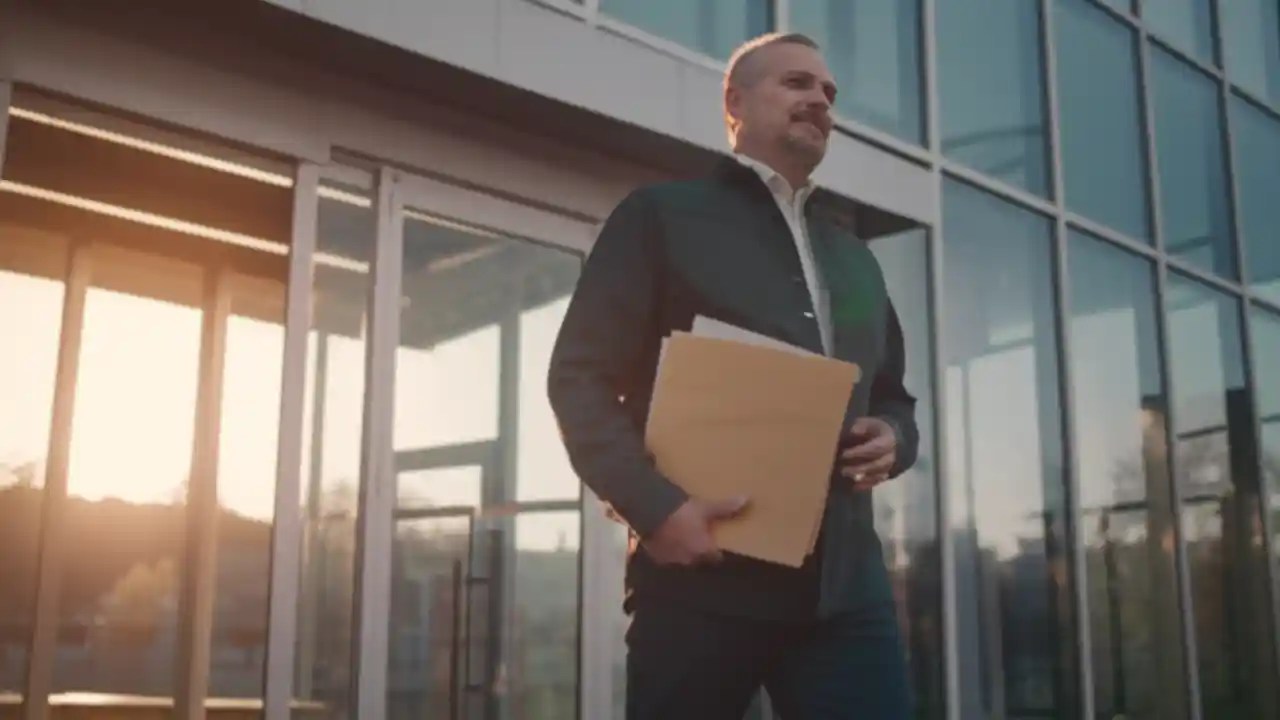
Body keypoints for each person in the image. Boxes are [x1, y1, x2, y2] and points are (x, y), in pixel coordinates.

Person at [547, 32, 919, 720]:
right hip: (702, 583)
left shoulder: (856, 259)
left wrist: (895, 436)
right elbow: (580, 379)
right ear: (735, 102)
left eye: (829, 93)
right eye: (797, 84)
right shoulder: (659, 218)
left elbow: (895, 396)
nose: (820, 101)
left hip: (846, 594)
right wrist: (655, 509)